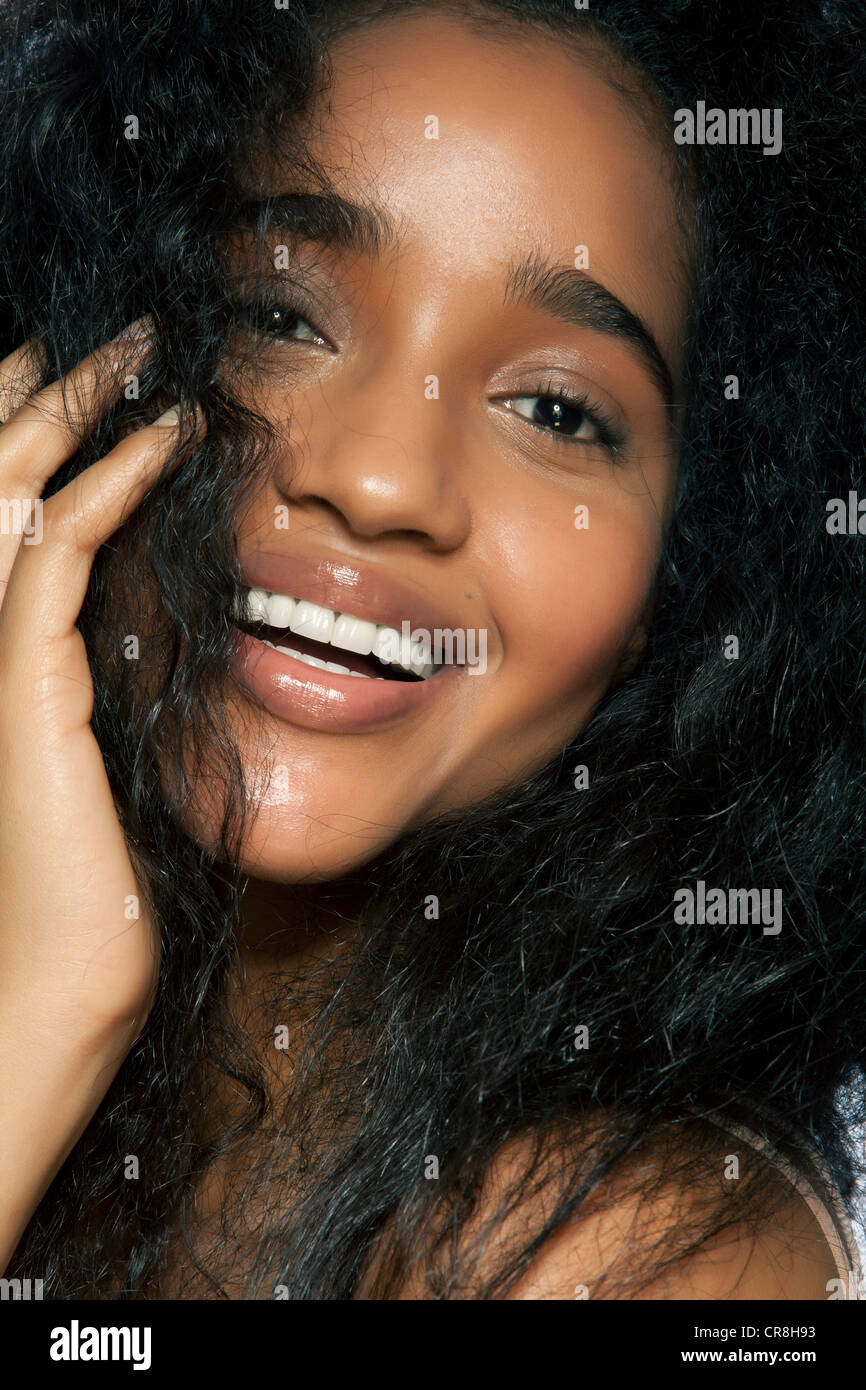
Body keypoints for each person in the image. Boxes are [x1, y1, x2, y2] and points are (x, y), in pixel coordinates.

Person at [0, 0, 863, 1300]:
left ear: (669, 594)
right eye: (280, 317)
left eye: (554, 409)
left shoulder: (618, 1248)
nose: (381, 478)